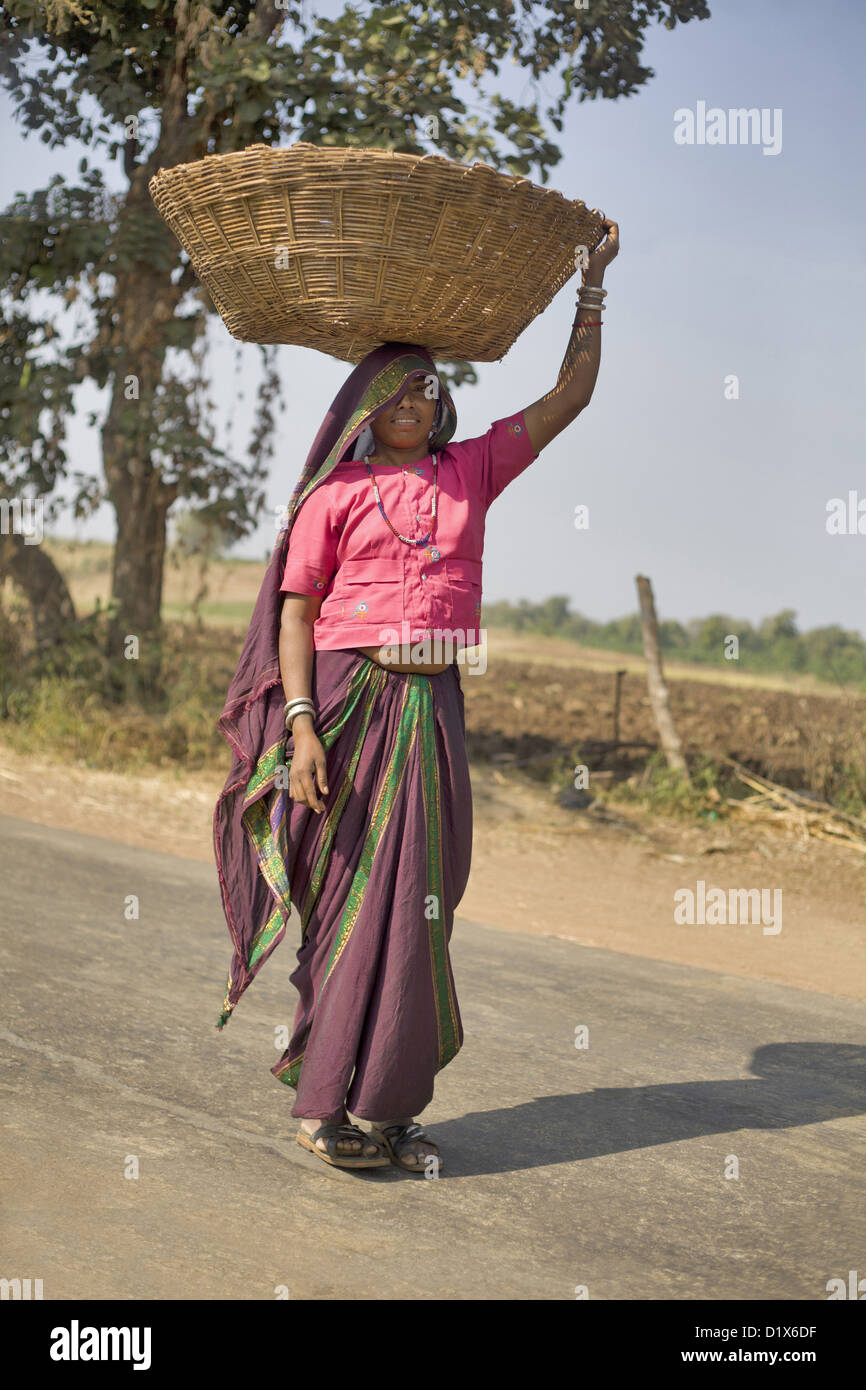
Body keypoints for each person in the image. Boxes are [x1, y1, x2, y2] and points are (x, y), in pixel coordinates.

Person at [213, 218, 619, 1171]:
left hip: (433, 703)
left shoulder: (472, 469)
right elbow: (295, 617)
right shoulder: (334, 496)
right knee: (351, 891)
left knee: (421, 899)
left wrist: (590, 291)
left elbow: (572, 397)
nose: (414, 400)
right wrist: (302, 727)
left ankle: (387, 1106)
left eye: (429, 387)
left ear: (444, 404)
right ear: (365, 403)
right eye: (396, 387)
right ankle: (324, 1110)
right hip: (348, 703)